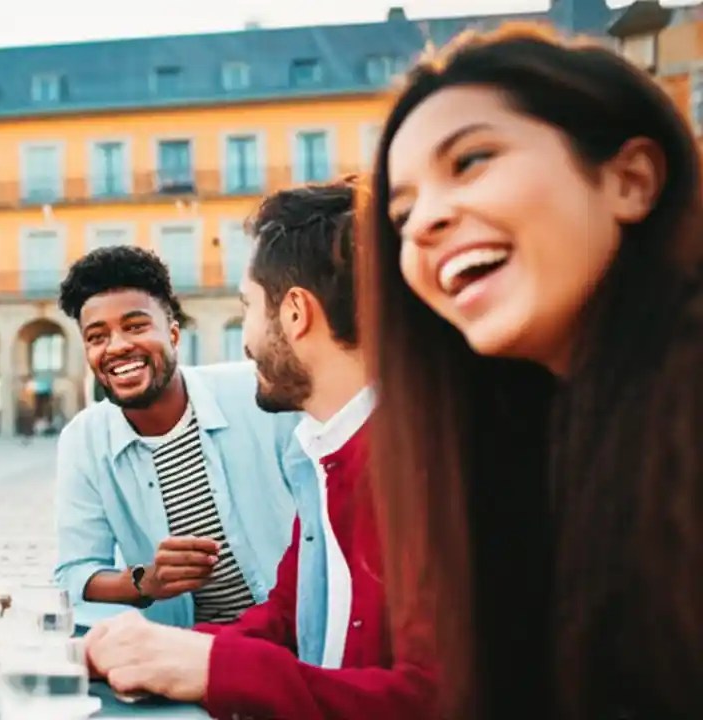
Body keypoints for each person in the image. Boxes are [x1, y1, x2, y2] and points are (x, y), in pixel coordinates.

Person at [364, 24, 703, 718]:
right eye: (401, 215)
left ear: (631, 181)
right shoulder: (521, 450)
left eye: (472, 159)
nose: (425, 220)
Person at [85, 179, 437, 718]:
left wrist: (210, 665)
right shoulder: (321, 454)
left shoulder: (422, 470)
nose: (245, 338)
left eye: (247, 306)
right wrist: (153, 650)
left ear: (294, 313)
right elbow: (287, 619)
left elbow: (433, 698)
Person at [54, 246, 308, 629]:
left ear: (173, 334)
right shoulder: (83, 440)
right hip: (185, 655)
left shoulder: (258, 393)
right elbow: (75, 573)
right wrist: (144, 581)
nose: (118, 346)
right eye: (97, 336)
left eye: (136, 326)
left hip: (296, 640)